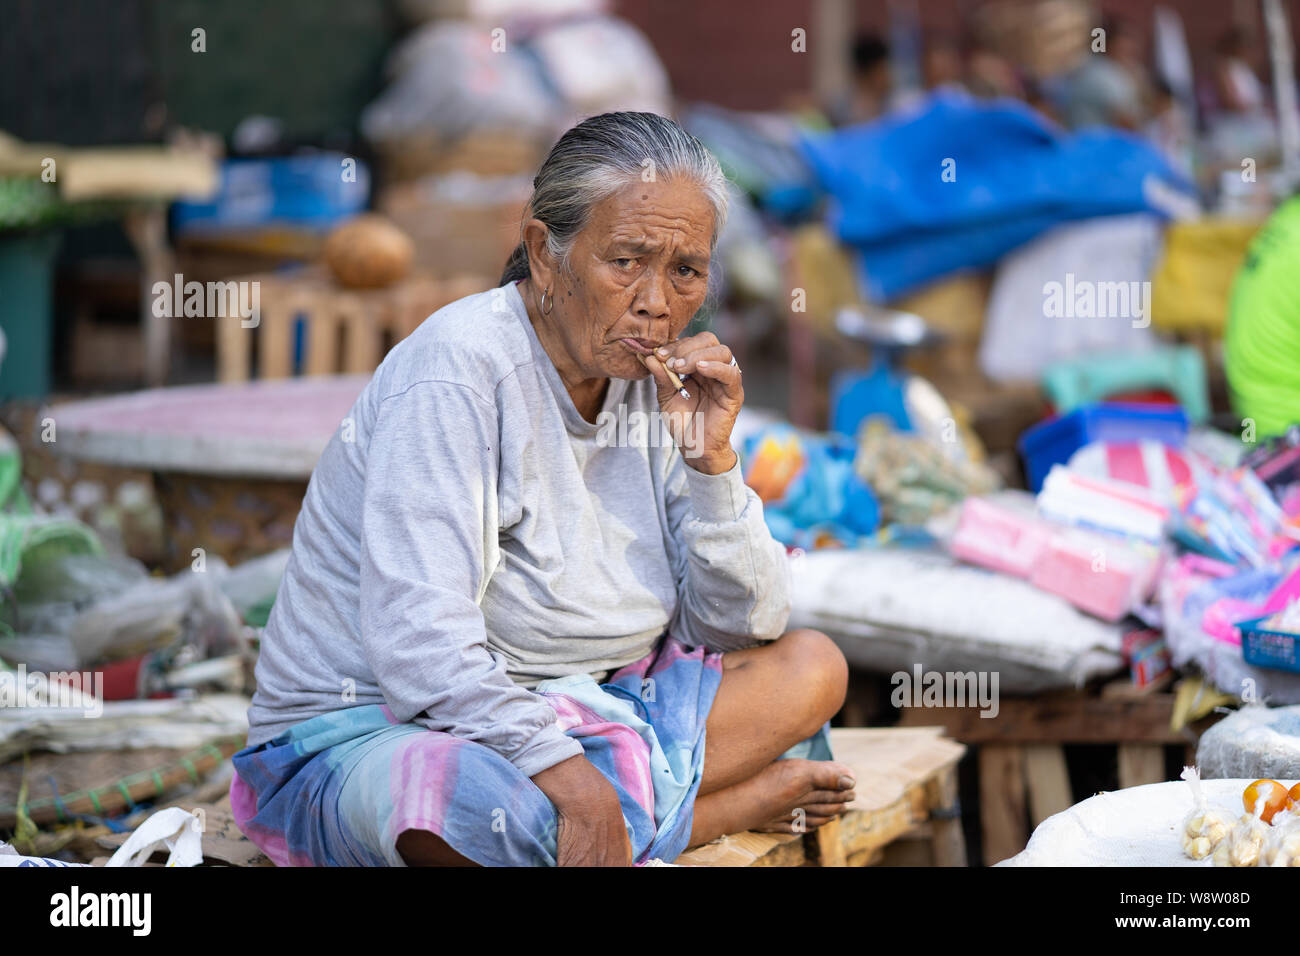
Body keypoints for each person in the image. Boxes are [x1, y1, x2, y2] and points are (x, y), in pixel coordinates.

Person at [229, 111, 854, 867]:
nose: (656, 303)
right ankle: (712, 808)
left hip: (599, 705)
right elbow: (422, 653)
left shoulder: (655, 391)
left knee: (812, 666)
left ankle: (614, 814)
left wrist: (712, 466)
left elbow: (734, 629)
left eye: (685, 271)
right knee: (458, 804)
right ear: (544, 255)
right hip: (395, 725)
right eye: (627, 261)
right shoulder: (459, 375)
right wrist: (569, 781)